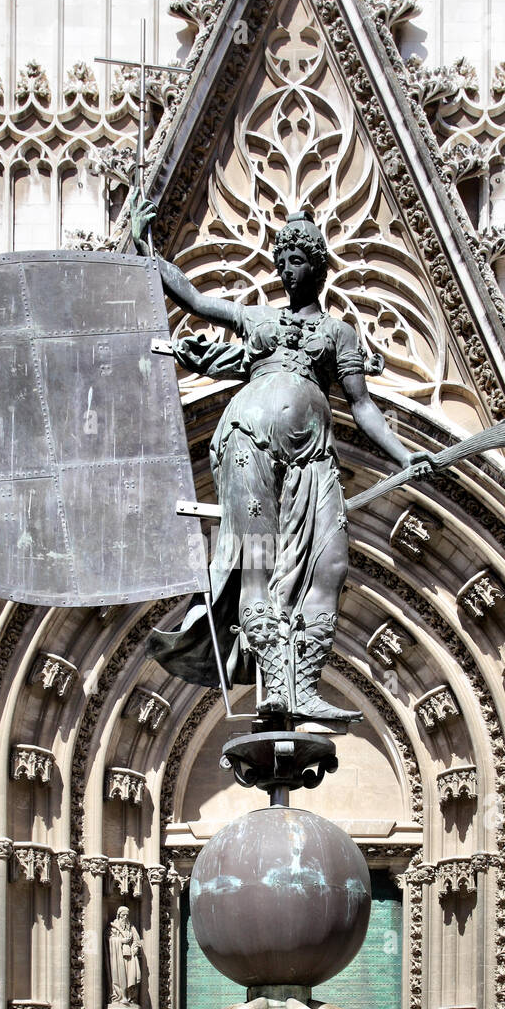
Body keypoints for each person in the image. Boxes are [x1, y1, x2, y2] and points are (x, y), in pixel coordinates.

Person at [132, 192, 435, 721]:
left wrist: (404, 457)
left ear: (317, 267)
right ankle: (275, 684)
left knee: (333, 563)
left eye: (300, 260)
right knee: (256, 564)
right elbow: (197, 303)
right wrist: (148, 250)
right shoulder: (256, 319)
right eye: (285, 260)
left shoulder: (338, 331)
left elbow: (362, 405)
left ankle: (304, 683)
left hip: (313, 457)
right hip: (247, 439)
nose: (290, 269)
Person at [105, 906, 142, 1006]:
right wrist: (121, 941)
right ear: (119, 915)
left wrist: (135, 947)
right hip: (118, 957)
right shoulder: (113, 927)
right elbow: (108, 939)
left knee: (131, 976)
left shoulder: (131, 927)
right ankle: (120, 996)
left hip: (130, 957)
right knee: (120, 976)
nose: (125, 917)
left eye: (127, 915)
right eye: (123, 915)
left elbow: (137, 940)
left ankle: (130, 997)